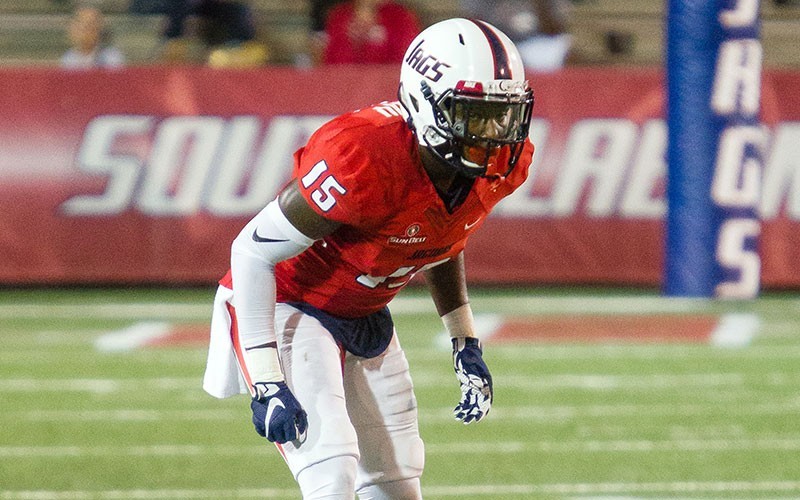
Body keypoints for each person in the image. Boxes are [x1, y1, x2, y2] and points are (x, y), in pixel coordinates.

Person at [203, 17, 535, 498]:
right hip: (288, 302)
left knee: (396, 483)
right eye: (474, 115)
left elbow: (444, 236)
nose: (493, 134)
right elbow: (251, 252)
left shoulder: (501, 166)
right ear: (424, 103)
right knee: (332, 474)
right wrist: (267, 379)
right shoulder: (364, 156)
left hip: (362, 313)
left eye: (501, 115)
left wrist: (465, 341)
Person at [460, 0, 573, 72]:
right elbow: (474, 21)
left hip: (533, 43)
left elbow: (556, 28)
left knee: (569, 50)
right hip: (496, 42)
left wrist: (539, 4)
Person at [158, 0, 268, 67]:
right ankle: (175, 43)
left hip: (219, 12)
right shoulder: (186, 7)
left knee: (241, 12)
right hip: (193, 8)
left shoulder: (237, 12)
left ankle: (237, 49)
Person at [320, 0, 421, 64]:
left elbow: (409, 59)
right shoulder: (340, 16)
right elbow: (332, 64)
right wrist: (354, 42)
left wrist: (377, 42)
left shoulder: (401, 16)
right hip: (347, 88)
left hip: (388, 86)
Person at [60, 5, 125, 69]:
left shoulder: (111, 57)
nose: (89, 31)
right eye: (84, 25)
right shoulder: (68, 59)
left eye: (92, 24)